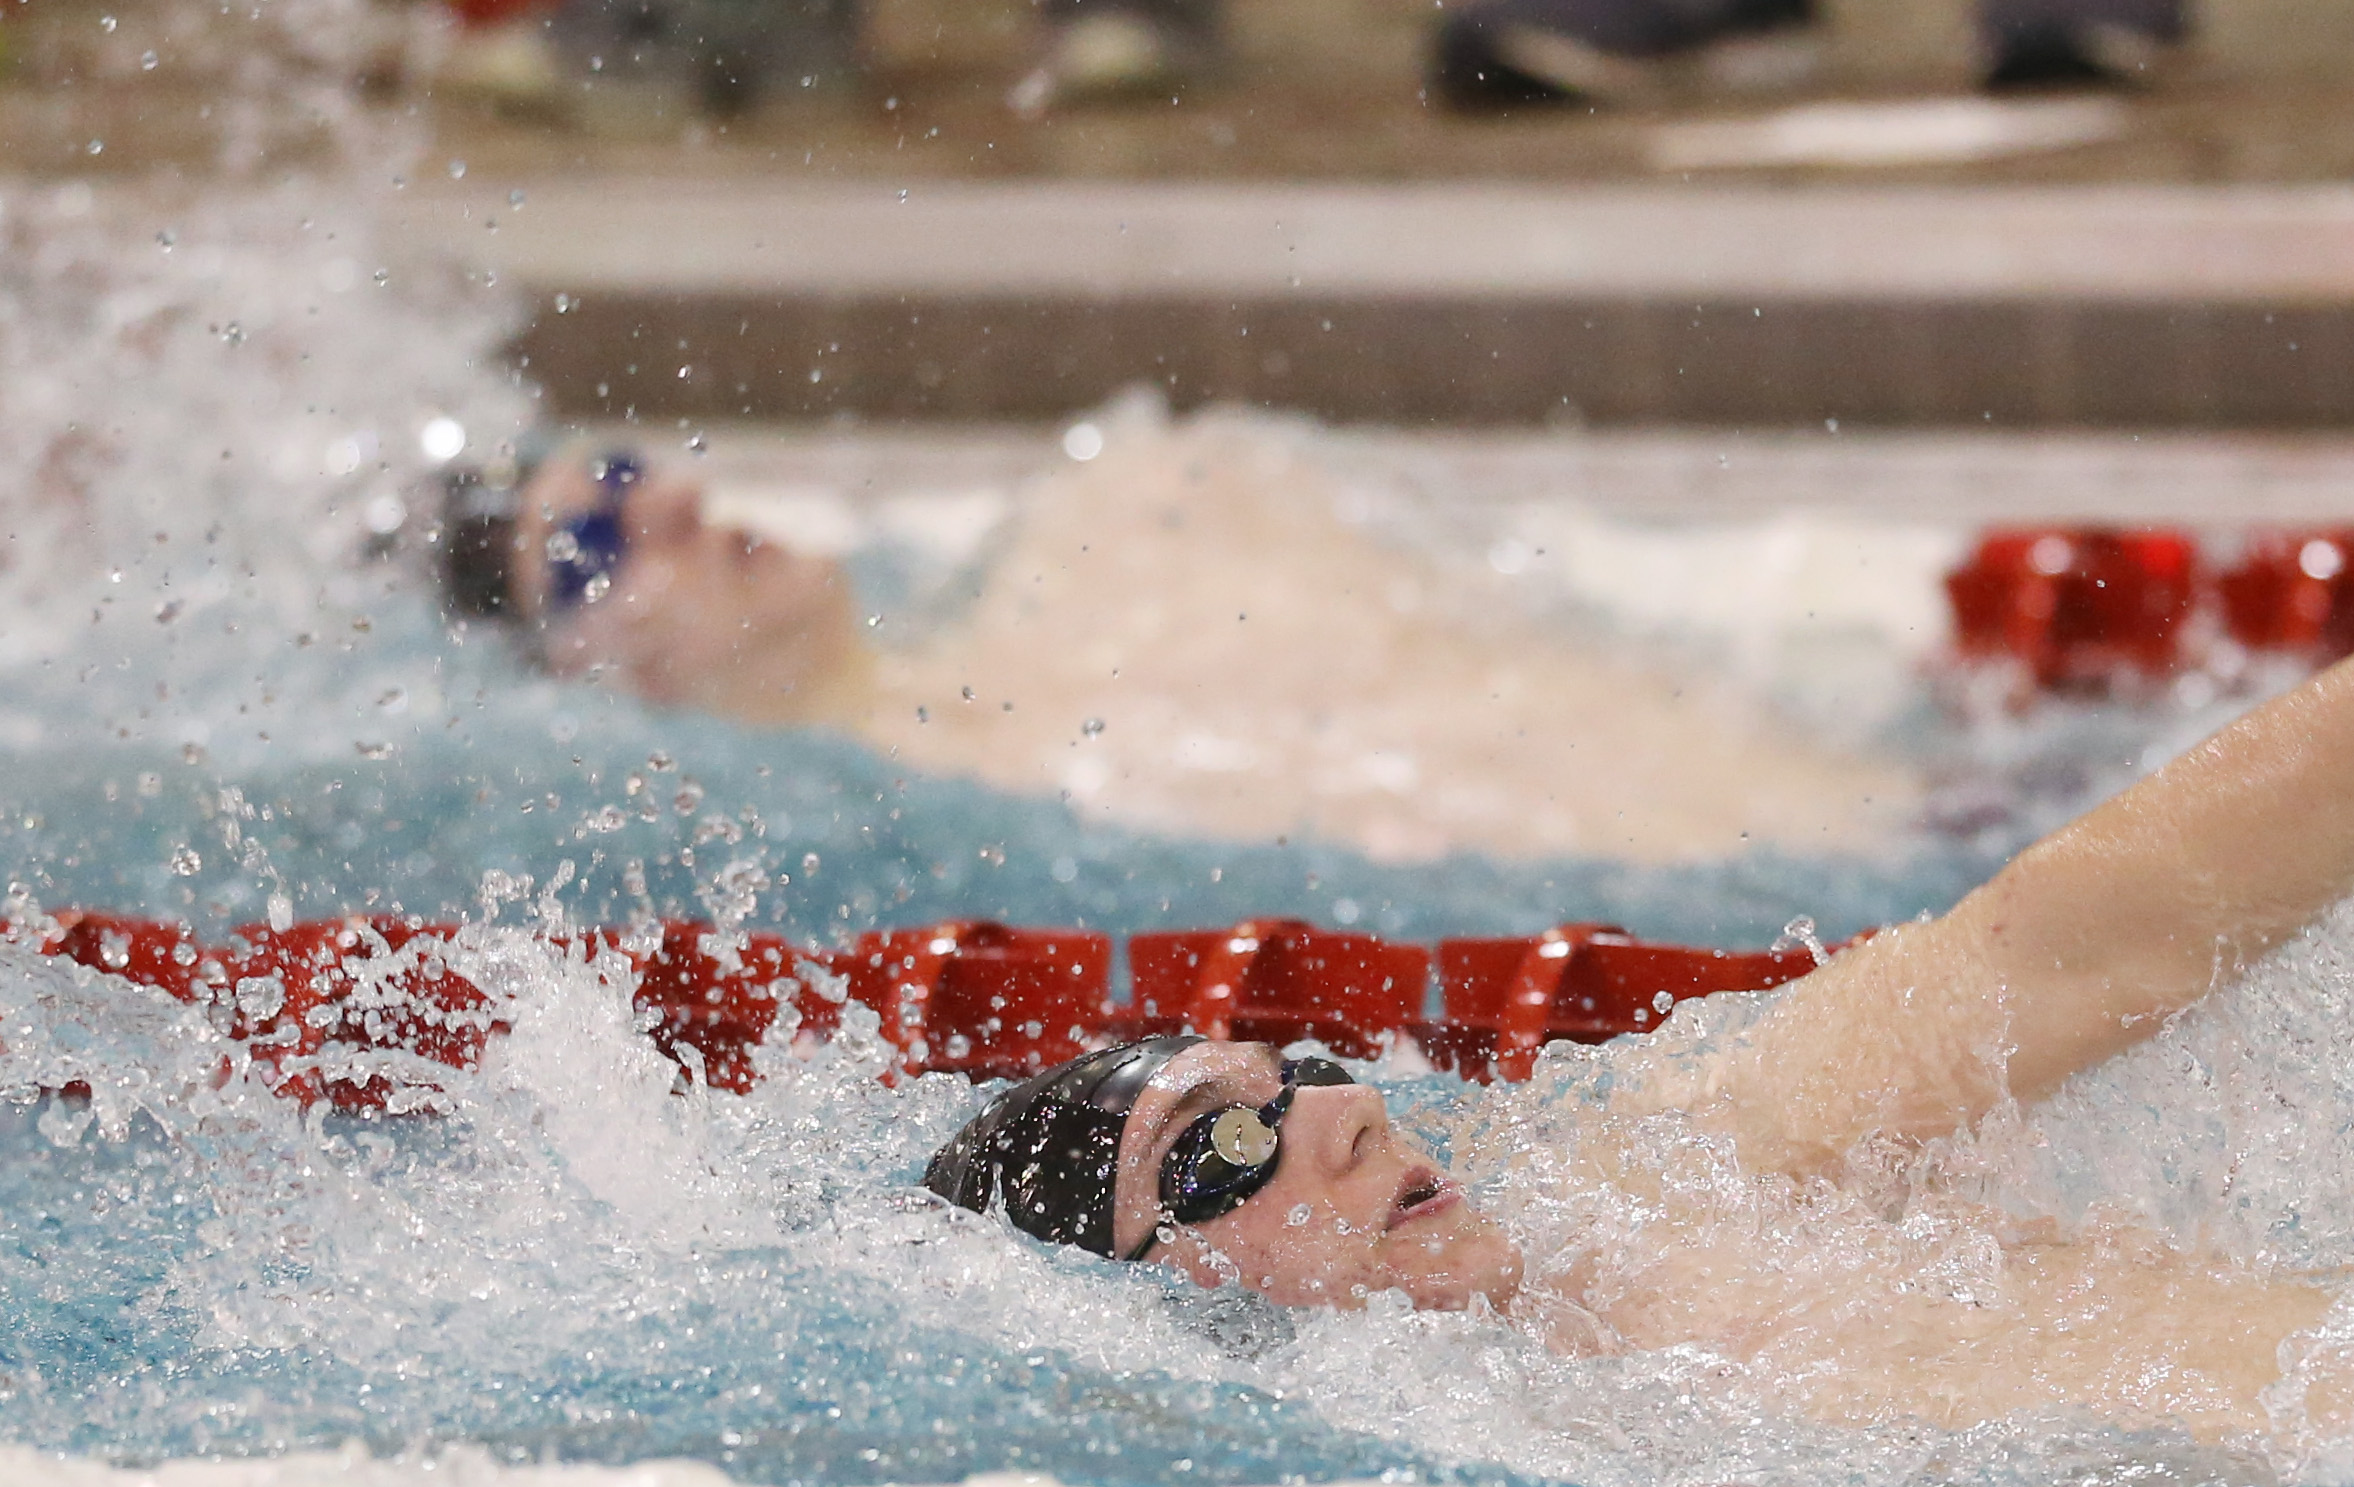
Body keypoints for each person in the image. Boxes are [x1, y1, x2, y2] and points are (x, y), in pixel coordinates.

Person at [924, 502, 2354, 1438]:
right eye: (1214, 1164)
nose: (1328, 1117)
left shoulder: (1683, 1156)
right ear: (1140, 1321)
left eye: (1272, 1079)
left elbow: (2095, 937)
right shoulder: (1475, 1482)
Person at [436, 420, 1920, 864]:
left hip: (1904, 797)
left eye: (631, 473)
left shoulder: (1122, 522)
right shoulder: (980, 830)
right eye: (598, 545)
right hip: (1862, 885)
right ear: (589, 677)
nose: (679, 504)